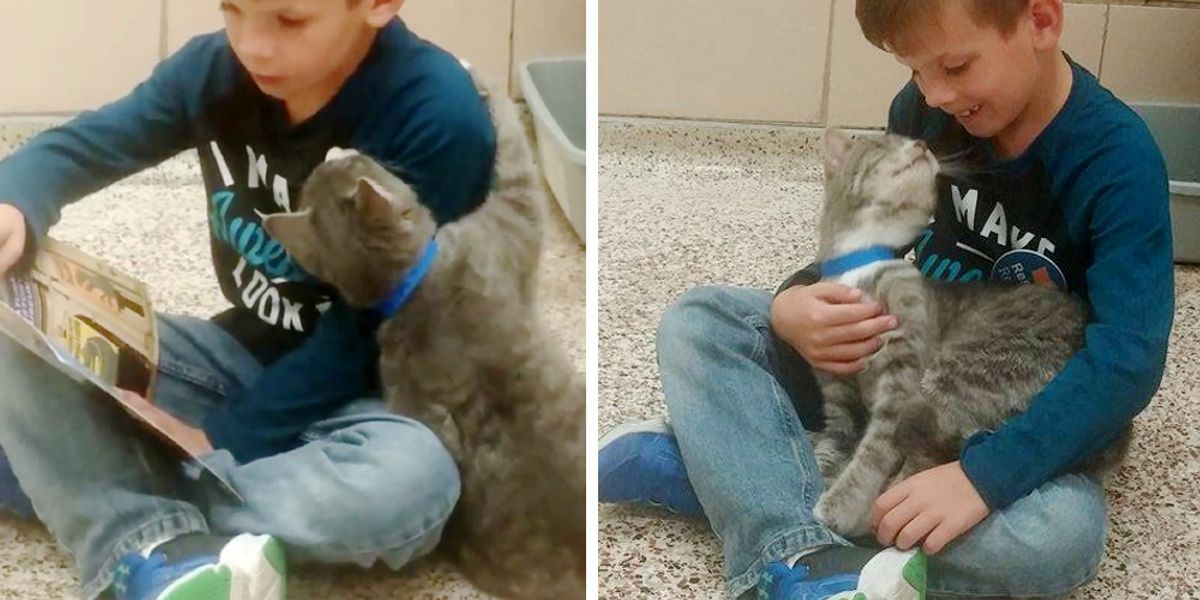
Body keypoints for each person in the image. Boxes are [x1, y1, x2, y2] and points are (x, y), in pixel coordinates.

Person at [599, 0, 1174, 598]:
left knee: (1061, 538)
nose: (933, 95)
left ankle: (731, 483)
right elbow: (870, 240)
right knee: (703, 321)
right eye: (915, 70)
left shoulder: (1118, 160)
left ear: (1041, 21)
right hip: (900, 360)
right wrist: (796, 303)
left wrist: (983, 477)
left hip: (1009, 428)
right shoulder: (922, 110)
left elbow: (1128, 358)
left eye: (953, 66)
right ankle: (796, 545)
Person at [0, 1, 497, 598]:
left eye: (290, 21)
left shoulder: (438, 117)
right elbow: (91, 143)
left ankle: (103, 500)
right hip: (243, 353)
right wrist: (16, 200)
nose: (252, 45)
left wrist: (229, 438)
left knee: (411, 488)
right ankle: (146, 527)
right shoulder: (215, 68)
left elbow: (372, 332)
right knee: (12, 310)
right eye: (233, 9)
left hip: (387, 396)